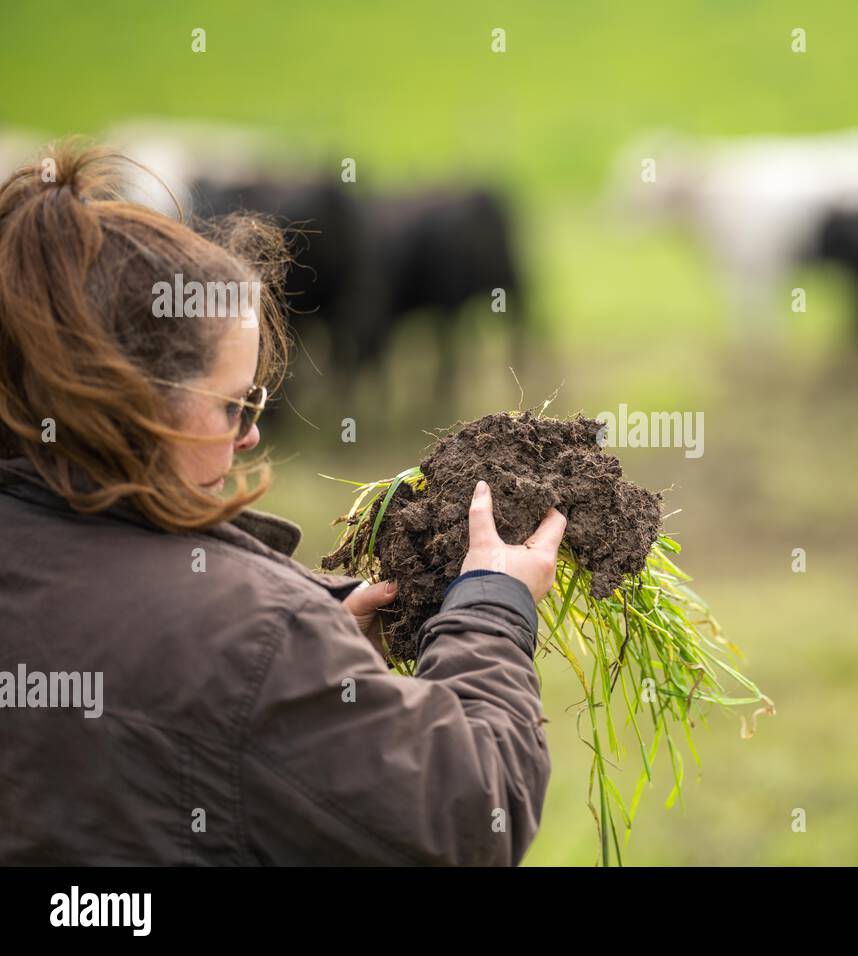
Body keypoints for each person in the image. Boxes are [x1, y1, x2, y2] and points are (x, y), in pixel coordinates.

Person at [0, 141, 565, 865]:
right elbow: (469, 812)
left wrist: (309, 650)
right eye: (235, 405)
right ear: (138, 408)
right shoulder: (249, 637)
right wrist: (492, 607)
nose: (253, 433)